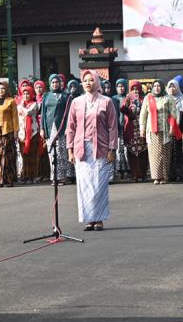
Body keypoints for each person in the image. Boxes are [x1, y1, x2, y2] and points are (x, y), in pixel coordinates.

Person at [66, 70, 117, 231]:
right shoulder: (76, 102)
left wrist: (112, 149)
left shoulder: (106, 102)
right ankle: (89, 219)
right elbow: (71, 127)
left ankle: (99, 218)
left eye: (91, 80)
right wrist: (70, 150)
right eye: (85, 80)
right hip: (81, 147)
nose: (88, 83)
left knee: (99, 184)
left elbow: (113, 127)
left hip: (101, 147)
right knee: (84, 184)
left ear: (97, 82)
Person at [140, 80, 178, 184]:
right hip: (152, 131)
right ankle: (156, 177)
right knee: (154, 155)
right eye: (155, 86)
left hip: (165, 130)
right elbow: (143, 114)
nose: (157, 88)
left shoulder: (167, 98)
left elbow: (174, 114)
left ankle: (164, 177)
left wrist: (172, 128)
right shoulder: (148, 98)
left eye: (158, 86)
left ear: (162, 87)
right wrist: (142, 128)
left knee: (164, 153)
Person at [41, 74, 71, 184]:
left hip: (62, 127)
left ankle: (62, 176)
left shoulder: (66, 96)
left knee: (61, 152)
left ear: (60, 83)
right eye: (53, 82)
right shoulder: (46, 96)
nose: (55, 84)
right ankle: (54, 177)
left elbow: (69, 113)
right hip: (49, 128)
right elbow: (43, 113)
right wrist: (42, 128)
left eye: (56, 82)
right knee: (51, 153)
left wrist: (68, 127)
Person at [0, 82, 19, 187]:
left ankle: (9, 179)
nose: (1, 90)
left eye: (3, 88)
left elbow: (15, 117)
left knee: (8, 156)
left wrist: (16, 131)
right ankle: (0, 179)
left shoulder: (11, 101)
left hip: (8, 131)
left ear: (6, 89)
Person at [121, 80, 149, 182]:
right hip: (131, 130)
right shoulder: (127, 99)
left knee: (143, 152)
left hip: (142, 129)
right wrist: (128, 101)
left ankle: (143, 174)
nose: (135, 90)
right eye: (133, 88)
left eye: (137, 88)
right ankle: (134, 175)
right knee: (132, 153)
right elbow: (122, 109)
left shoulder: (144, 99)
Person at [17, 84, 41, 183]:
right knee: (24, 156)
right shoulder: (19, 106)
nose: (26, 95)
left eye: (28, 93)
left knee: (33, 155)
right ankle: (25, 175)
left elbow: (28, 112)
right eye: (24, 93)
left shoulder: (35, 105)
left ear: (31, 94)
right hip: (22, 133)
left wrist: (21, 106)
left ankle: (33, 175)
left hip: (33, 133)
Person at [166, 78, 183, 181]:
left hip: (180, 129)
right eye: (170, 86)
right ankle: (171, 174)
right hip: (168, 130)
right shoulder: (164, 100)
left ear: (178, 88)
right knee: (169, 152)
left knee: (180, 151)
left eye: (174, 86)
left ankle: (181, 173)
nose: (172, 89)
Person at [111, 78, 130, 181]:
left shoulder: (128, 98)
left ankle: (127, 169)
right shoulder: (113, 99)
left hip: (126, 126)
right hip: (116, 127)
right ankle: (119, 170)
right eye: (119, 86)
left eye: (122, 86)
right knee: (118, 149)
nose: (121, 88)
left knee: (126, 149)